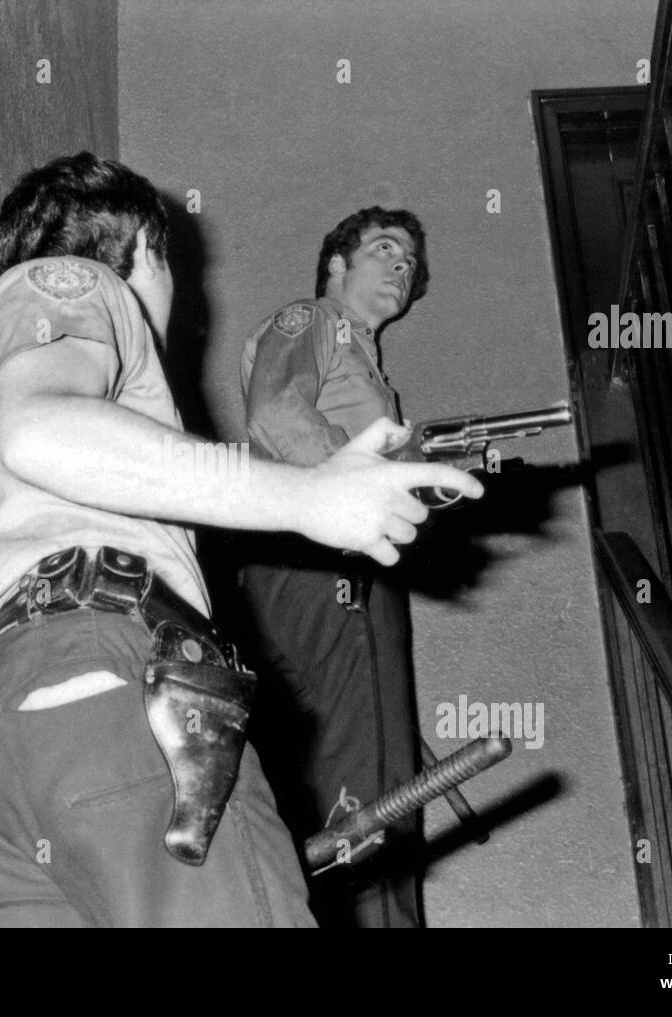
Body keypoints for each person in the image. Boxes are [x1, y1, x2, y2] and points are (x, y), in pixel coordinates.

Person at [0, 157, 480, 928]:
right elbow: (41, 428)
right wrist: (311, 495)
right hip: (103, 685)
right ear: (148, 250)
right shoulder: (84, 286)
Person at [239, 207, 433, 928]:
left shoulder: (380, 383)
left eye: (410, 260)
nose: (401, 265)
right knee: (354, 774)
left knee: (390, 776)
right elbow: (276, 411)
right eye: (385, 249)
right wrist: (354, 487)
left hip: (364, 570)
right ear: (336, 266)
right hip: (316, 553)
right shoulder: (312, 319)